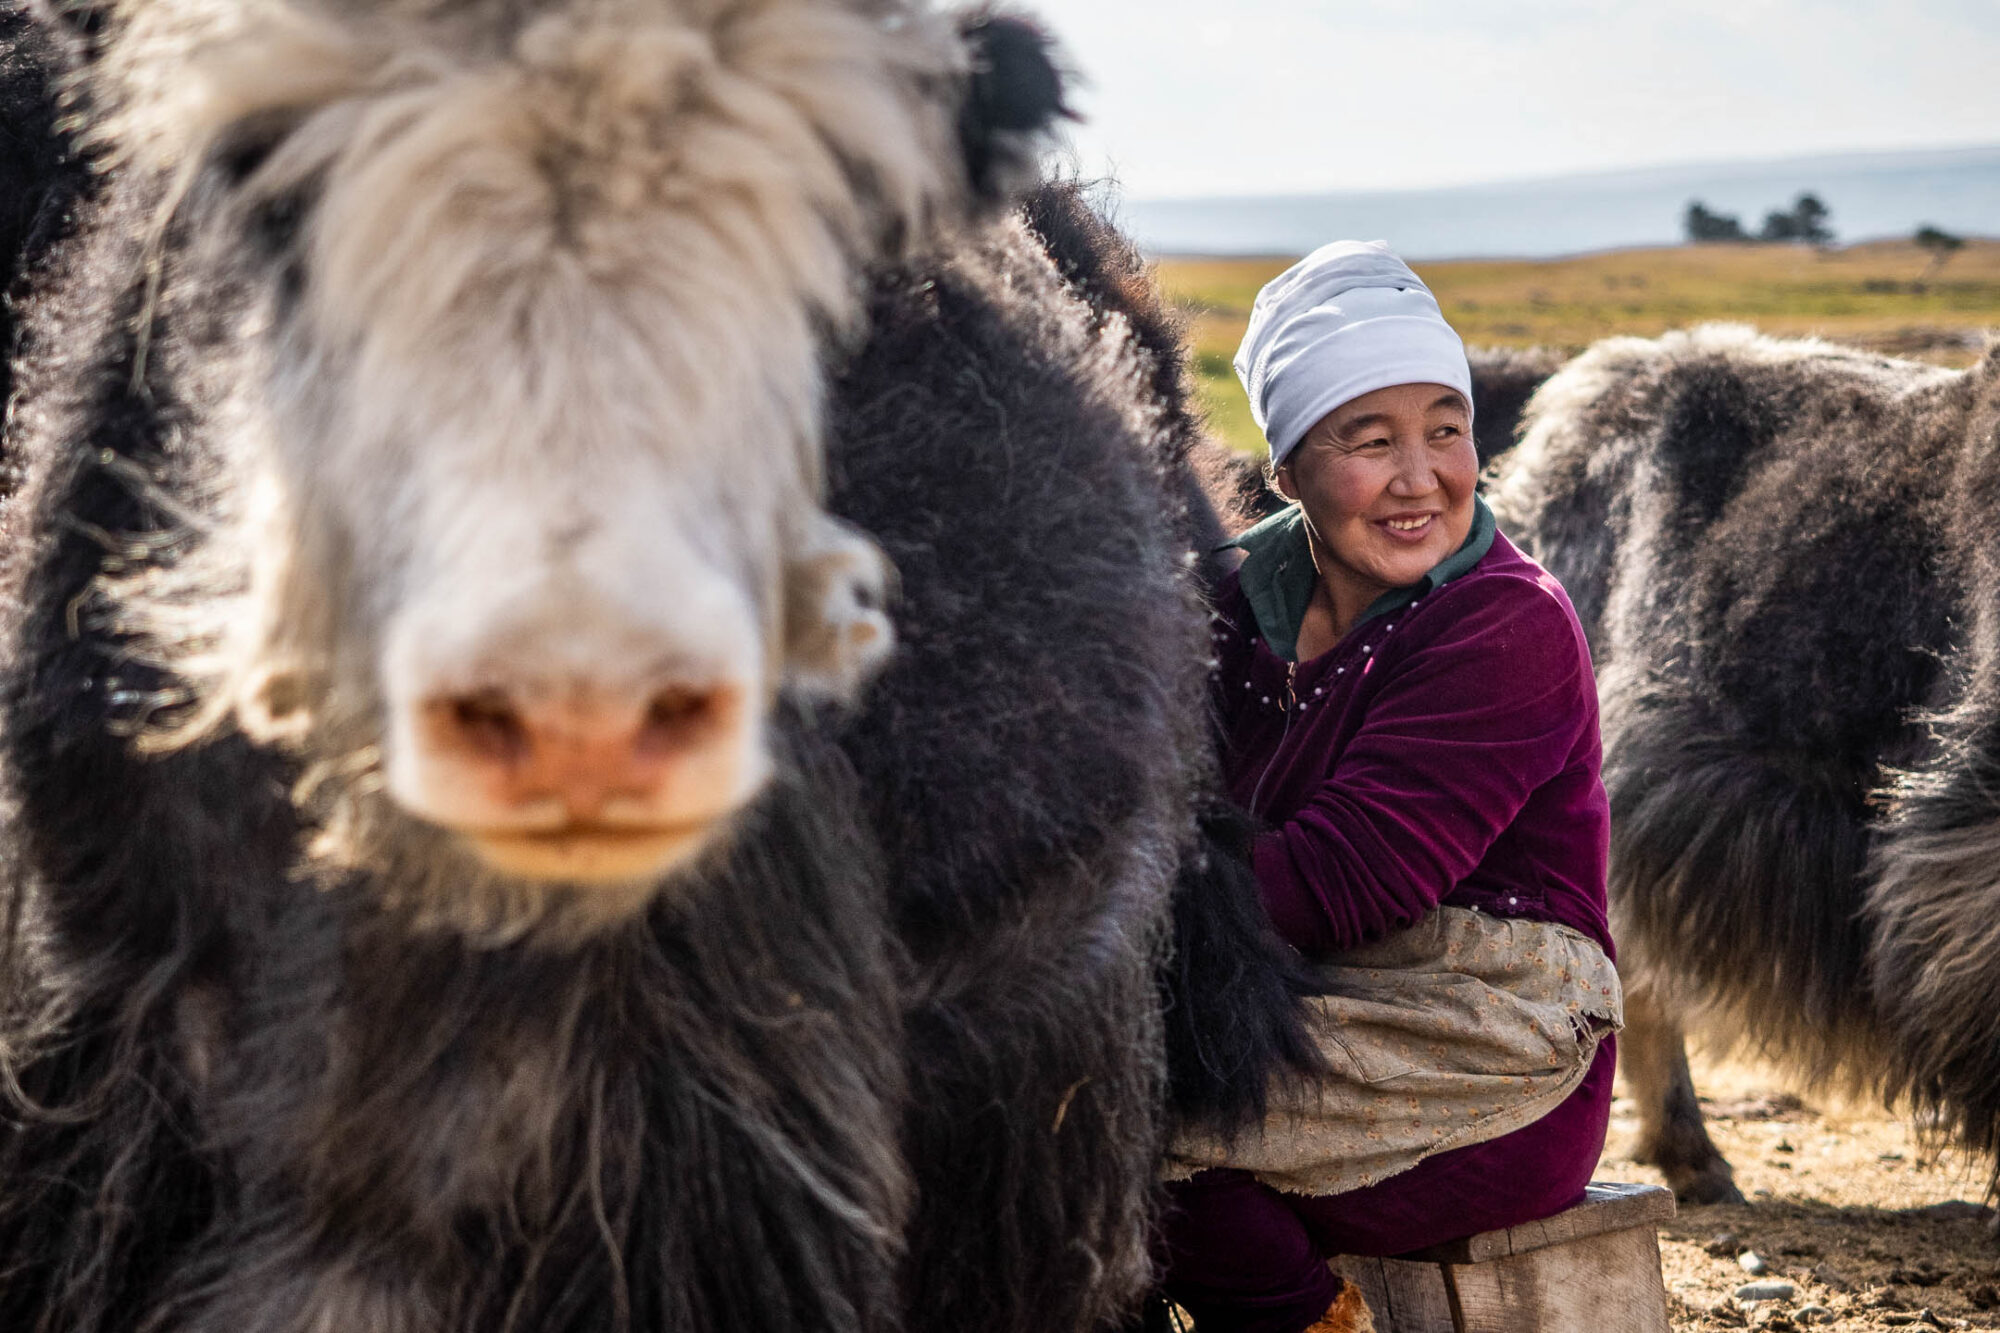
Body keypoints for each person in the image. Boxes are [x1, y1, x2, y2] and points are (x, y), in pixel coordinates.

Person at [1160, 242, 1620, 1333]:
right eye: (1369, 442)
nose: (1422, 478)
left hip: (1485, 1038)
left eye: (1444, 431)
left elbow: (1345, 878)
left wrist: (1103, 909)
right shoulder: (1230, 600)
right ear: (1287, 471)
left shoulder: (1505, 622)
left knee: (1124, 1148)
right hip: (1293, 989)